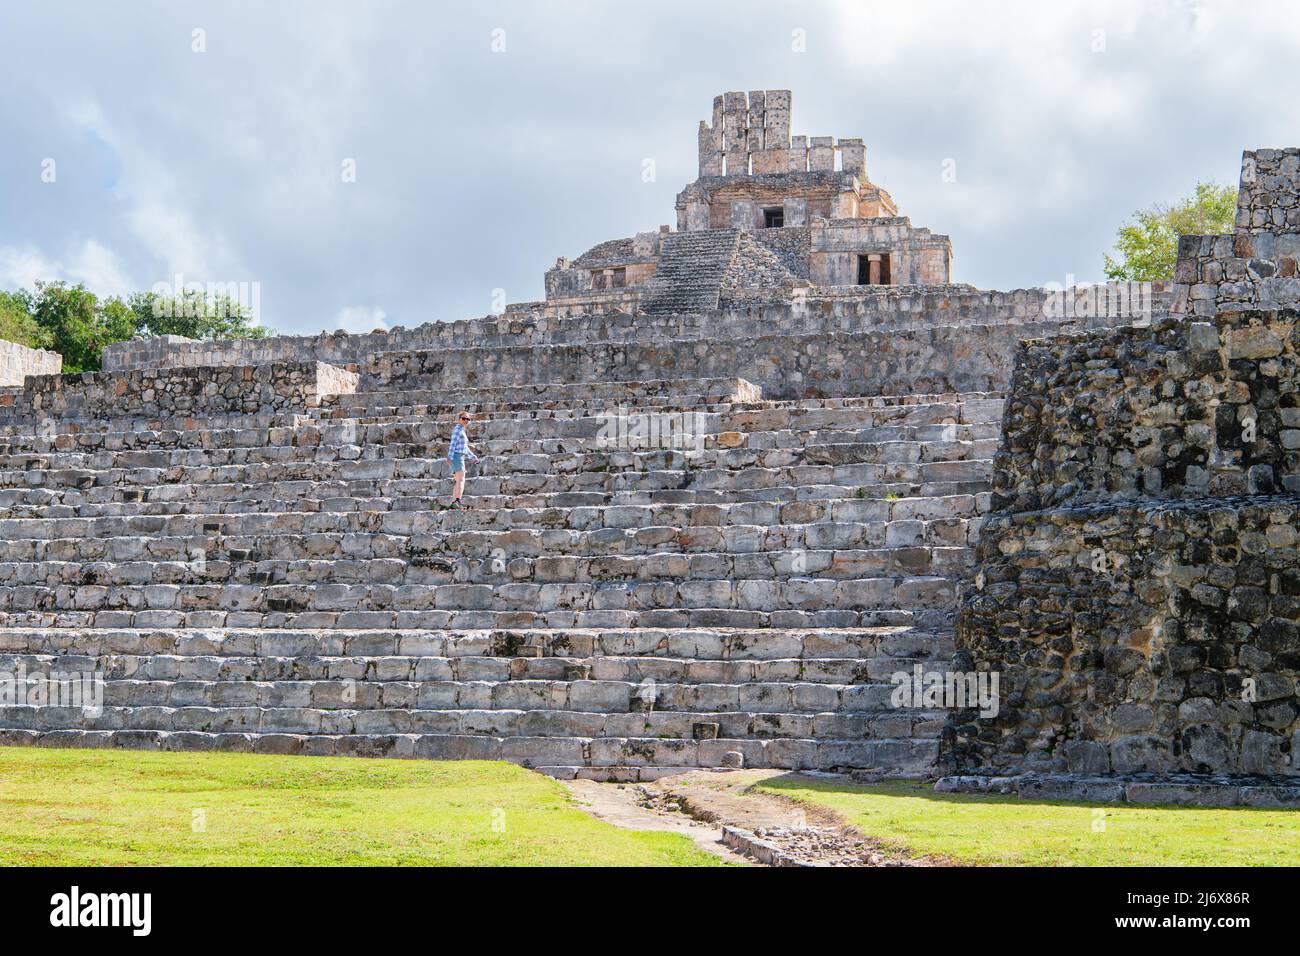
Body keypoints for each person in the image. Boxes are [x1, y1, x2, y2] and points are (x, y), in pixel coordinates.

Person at [447, 411, 480, 508]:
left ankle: (454, 503)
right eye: (464, 418)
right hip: (456, 456)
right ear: (459, 419)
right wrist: (450, 456)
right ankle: (457, 501)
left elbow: (465, 447)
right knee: (461, 479)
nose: (466, 420)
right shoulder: (458, 430)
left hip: (459, 456)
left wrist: (473, 457)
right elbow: (453, 444)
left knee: (458, 480)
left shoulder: (462, 430)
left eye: (468, 419)